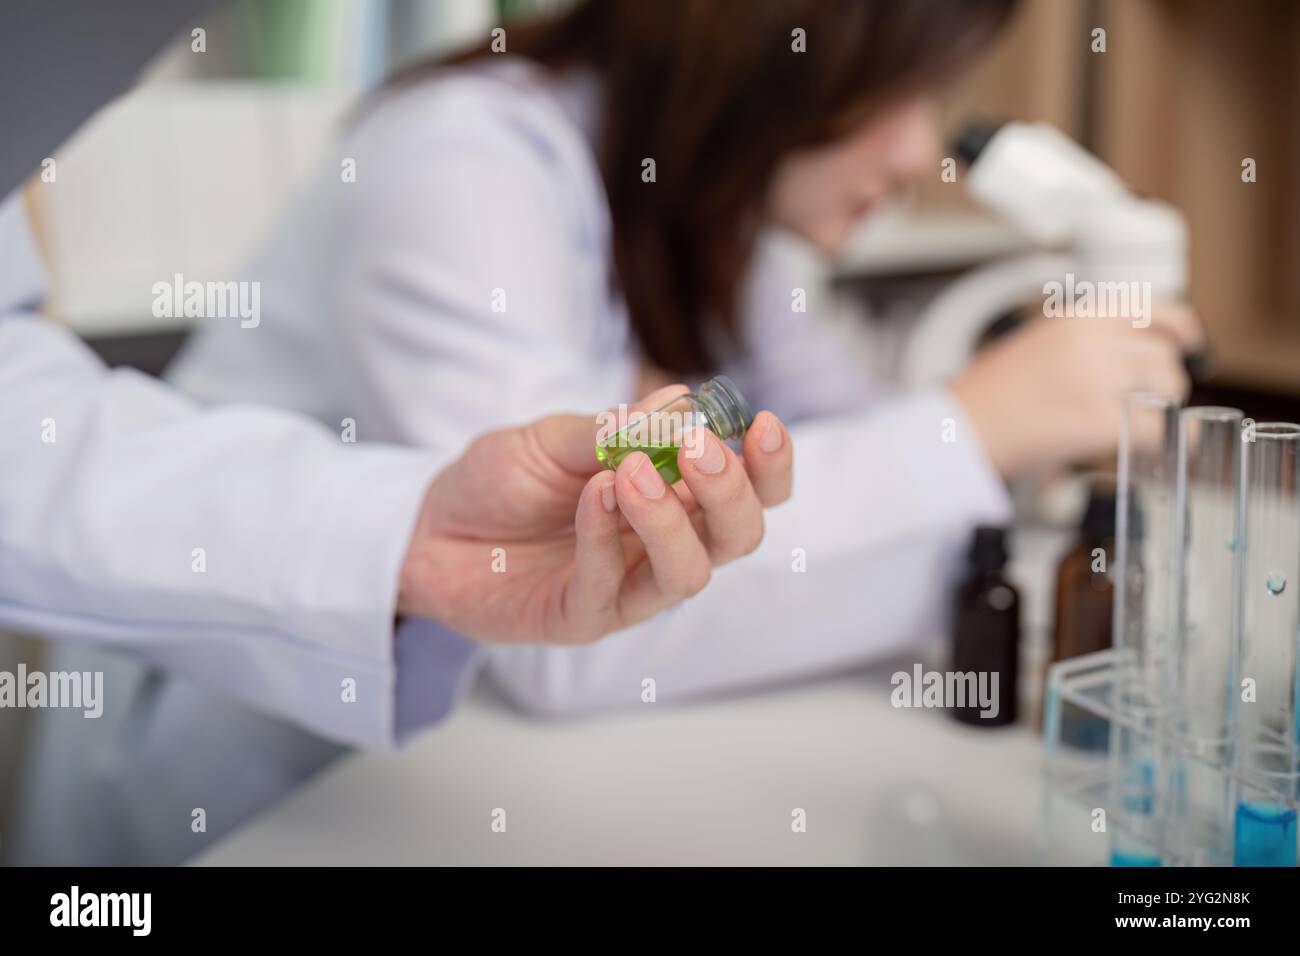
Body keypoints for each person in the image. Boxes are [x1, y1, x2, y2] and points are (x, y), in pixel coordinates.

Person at [173, 0, 1203, 722]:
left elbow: (828, 427)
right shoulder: (458, 162)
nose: (914, 154)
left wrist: (1005, 429)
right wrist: (976, 422)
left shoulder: (704, 211)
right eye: (901, 90)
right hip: (271, 776)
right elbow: (563, 630)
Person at [0, 9, 792, 863]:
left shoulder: (678, 187)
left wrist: (409, 535)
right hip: (205, 760)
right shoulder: (465, 146)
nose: (914, 155)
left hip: (374, 725)